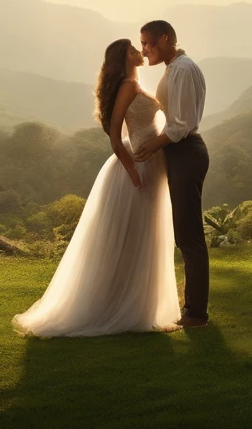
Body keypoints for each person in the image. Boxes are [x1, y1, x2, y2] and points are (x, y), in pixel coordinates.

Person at [12, 39, 180, 337]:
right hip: (138, 165)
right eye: (133, 50)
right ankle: (126, 309)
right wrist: (132, 172)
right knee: (136, 236)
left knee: (144, 236)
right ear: (124, 58)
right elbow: (114, 135)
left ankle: (140, 308)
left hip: (150, 162)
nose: (139, 52)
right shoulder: (128, 86)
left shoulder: (134, 84)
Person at [134, 20, 209, 328]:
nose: (143, 50)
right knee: (185, 234)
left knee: (189, 235)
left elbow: (180, 125)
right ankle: (193, 309)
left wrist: (152, 145)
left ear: (165, 39)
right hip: (181, 152)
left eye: (147, 43)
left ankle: (196, 313)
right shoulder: (175, 68)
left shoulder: (181, 70)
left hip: (186, 152)